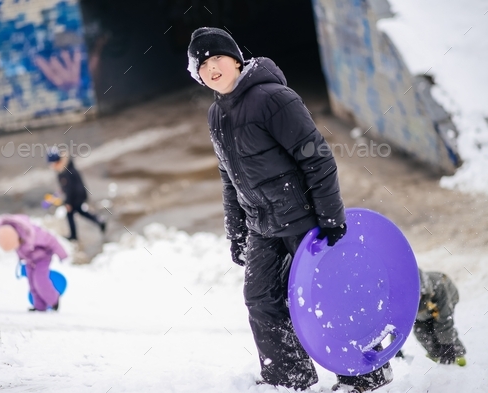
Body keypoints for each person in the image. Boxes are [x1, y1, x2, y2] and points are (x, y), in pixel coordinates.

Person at [187, 27, 392, 392]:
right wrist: (236, 231)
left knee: (328, 296)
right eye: (203, 64)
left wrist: (330, 216)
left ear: (236, 59)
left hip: (303, 220)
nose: (212, 68)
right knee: (260, 298)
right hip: (261, 226)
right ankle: (288, 376)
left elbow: (318, 159)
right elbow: (229, 177)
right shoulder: (217, 115)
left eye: (218, 58)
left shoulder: (274, 99)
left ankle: (365, 374)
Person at [0, 214, 68, 312]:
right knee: (32, 283)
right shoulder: (10, 235)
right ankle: (40, 306)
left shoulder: (33, 233)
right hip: (30, 260)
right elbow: (19, 249)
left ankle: (54, 300)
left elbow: (52, 240)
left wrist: (62, 254)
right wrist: (20, 258)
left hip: (43, 258)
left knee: (39, 279)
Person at [46, 147, 106, 241]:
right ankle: (98, 221)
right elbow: (66, 186)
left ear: (56, 161)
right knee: (80, 212)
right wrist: (61, 191)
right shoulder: (65, 167)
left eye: (52, 163)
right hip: (79, 194)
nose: (51, 166)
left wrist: (68, 203)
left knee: (70, 214)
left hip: (77, 196)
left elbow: (70, 188)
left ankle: (74, 236)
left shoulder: (65, 171)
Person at [413, 269, 466, 365]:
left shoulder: (438, 287)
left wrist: (447, 345)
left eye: (419, 295)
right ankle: (435, 354)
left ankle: (458, 354)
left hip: (447, 296)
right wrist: (396, 347)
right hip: (426, 307)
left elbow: (444, 320)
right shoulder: (406, 297)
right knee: (421, 330)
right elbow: (398, 321)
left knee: (440, 327)